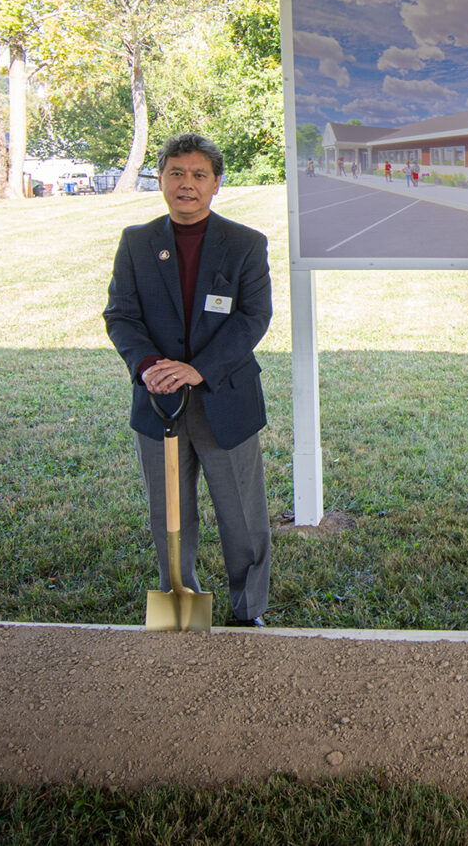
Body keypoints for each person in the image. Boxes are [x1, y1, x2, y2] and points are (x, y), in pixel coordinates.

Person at [104, 133, 274, 627]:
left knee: (242, 517)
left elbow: (253, 318)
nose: (186, 185)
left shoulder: (245, 244)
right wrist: (149, 366)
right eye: (176, 173)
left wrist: (198, 368)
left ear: (217, 184)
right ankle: (180, 603)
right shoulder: (137, 242)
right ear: (159, 180)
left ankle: (248, 611)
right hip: (159, 399)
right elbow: (120, 315)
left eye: (199, 175)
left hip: (225, 399)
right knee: (170, 517)